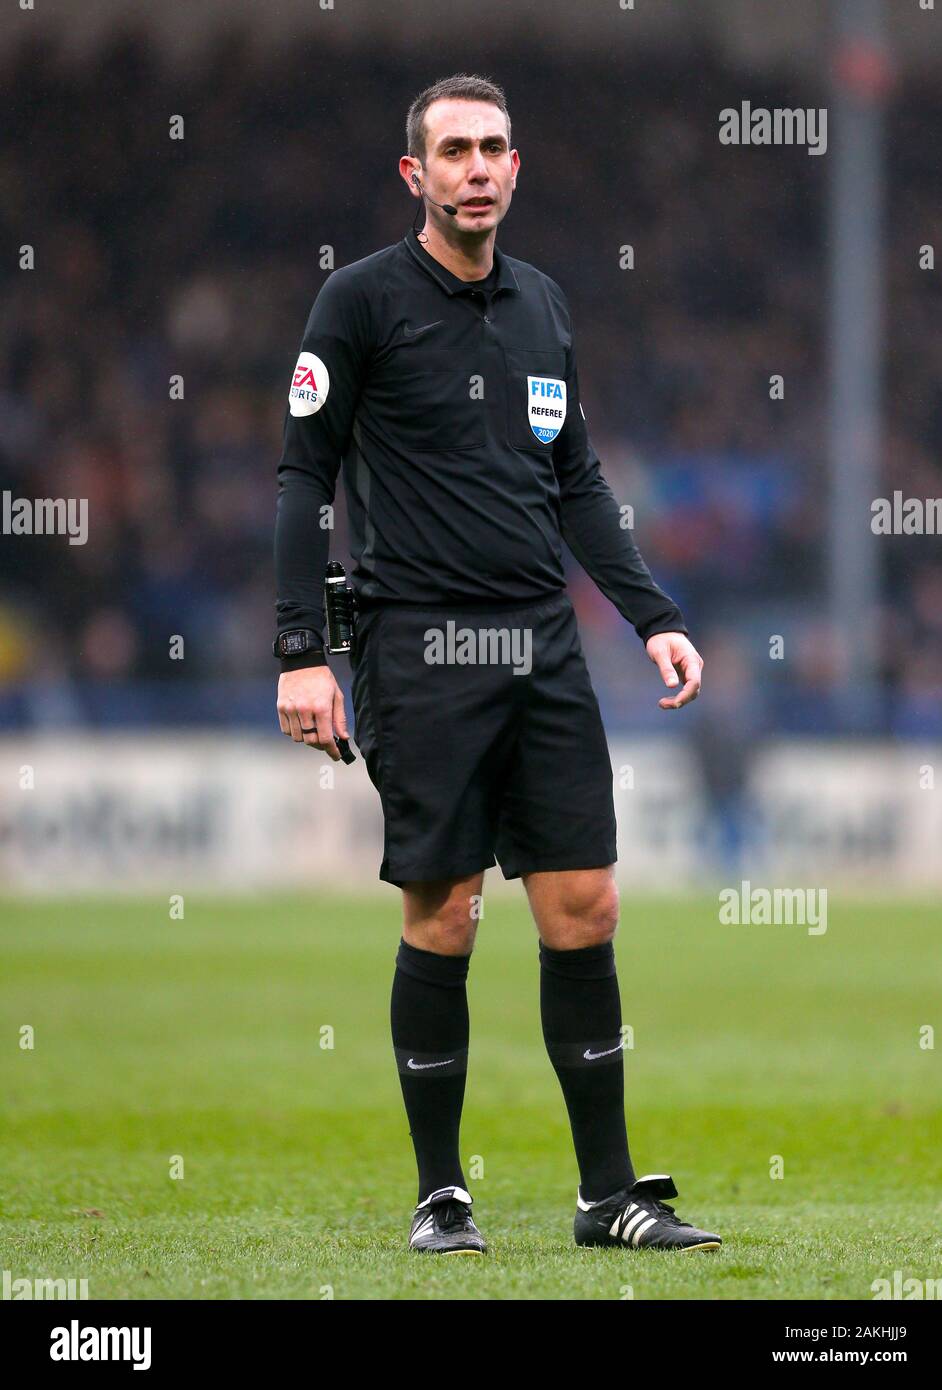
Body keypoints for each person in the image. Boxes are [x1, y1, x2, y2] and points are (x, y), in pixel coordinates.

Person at [273, 72, 720, 1255]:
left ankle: (608, 1194)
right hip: (416, 642)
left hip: (543, 643)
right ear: (415, 175)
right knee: (450, 914)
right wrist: (301, 655)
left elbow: (575, 479)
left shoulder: (545, 308)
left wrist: (652, 613)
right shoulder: (359, 302)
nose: (478, 167)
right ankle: (440, 1193)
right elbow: (301, 480)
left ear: (518, 169)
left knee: (587, 905)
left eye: (496, 149)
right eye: (455, 150)